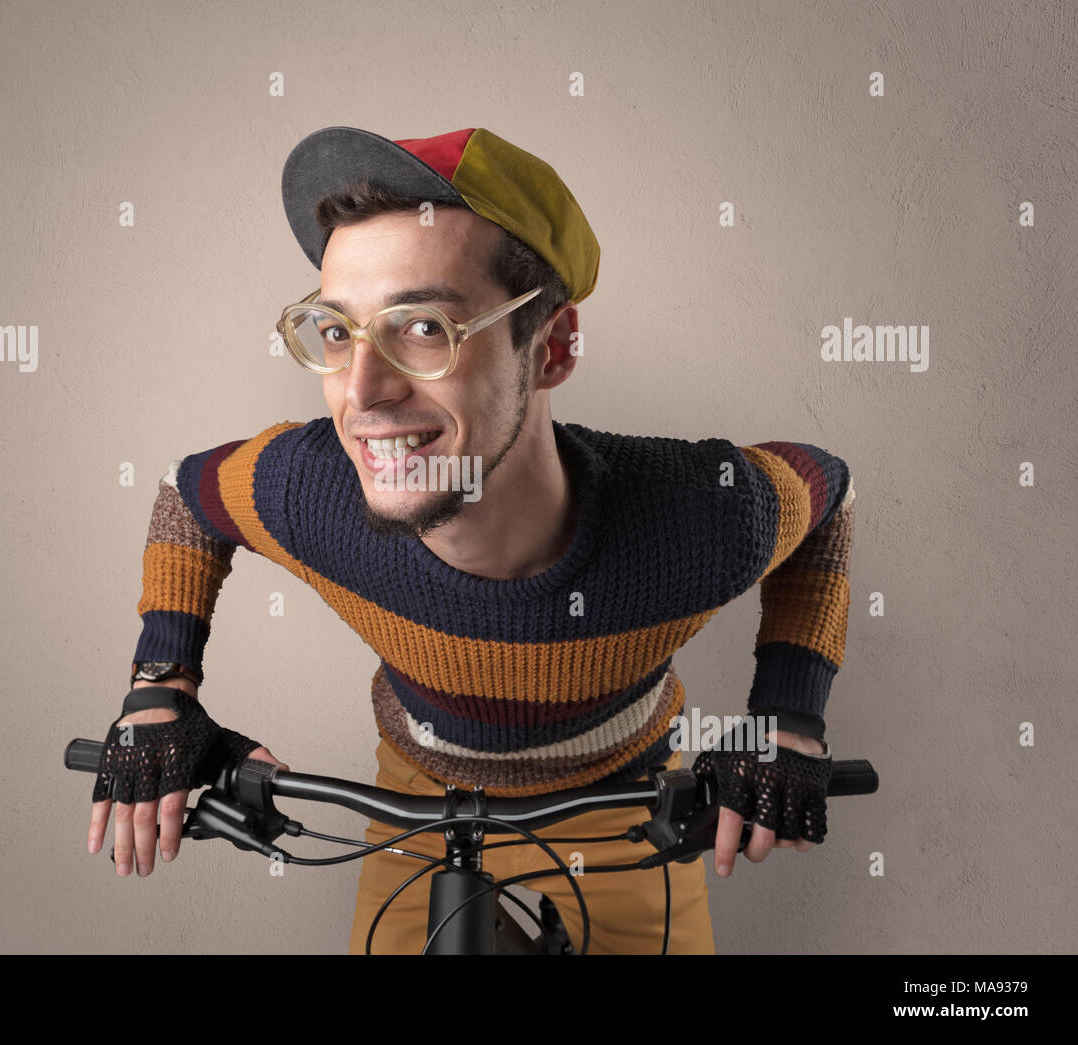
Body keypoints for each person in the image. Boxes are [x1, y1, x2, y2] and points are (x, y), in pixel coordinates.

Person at [84, 125, 855, 954]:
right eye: (338, 333)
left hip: (628, 817)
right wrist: (160, 685)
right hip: (418, 808)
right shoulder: (311, 490)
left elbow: (829, 497)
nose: (363, 394)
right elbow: (184, 496)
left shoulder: (697, 518)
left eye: (422, 328)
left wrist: (787, 715)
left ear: (552, 347)